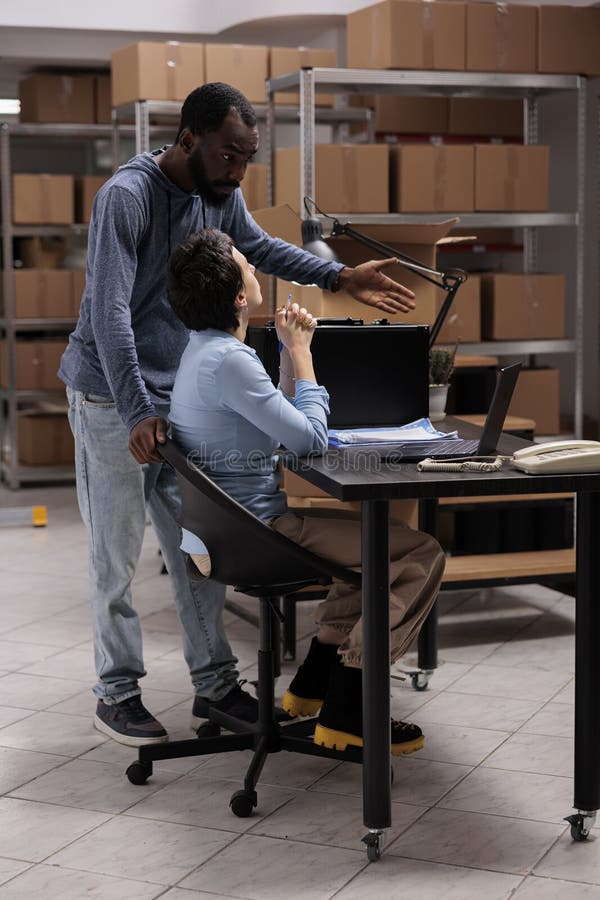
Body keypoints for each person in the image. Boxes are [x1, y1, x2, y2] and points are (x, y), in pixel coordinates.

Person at [59, 81, 418, 748]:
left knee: (194, 547)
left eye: (248, 157)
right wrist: (138, 408)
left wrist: (339, 278)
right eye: (229, 155)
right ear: (188, 139)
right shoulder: (127, 197)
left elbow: (261, 248)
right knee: (114, 552)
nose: (238, 170)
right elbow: (108, 314)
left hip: (173, 396)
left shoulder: (220, 195)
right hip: (112, 396)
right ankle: (117, 692)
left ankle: (216, 684)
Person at [167, 228, 446, 754]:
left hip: (223, 535)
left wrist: (289, 360)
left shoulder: (203, 350)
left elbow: (276, 420)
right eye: (248, 266)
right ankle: (351, 711)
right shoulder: (230, 359)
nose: (255, 271)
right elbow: (311, 439)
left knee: (374, 544)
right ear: (237, 297)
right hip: (259, 537)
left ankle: (314, 687)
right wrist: (302, 352)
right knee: (418, 554)